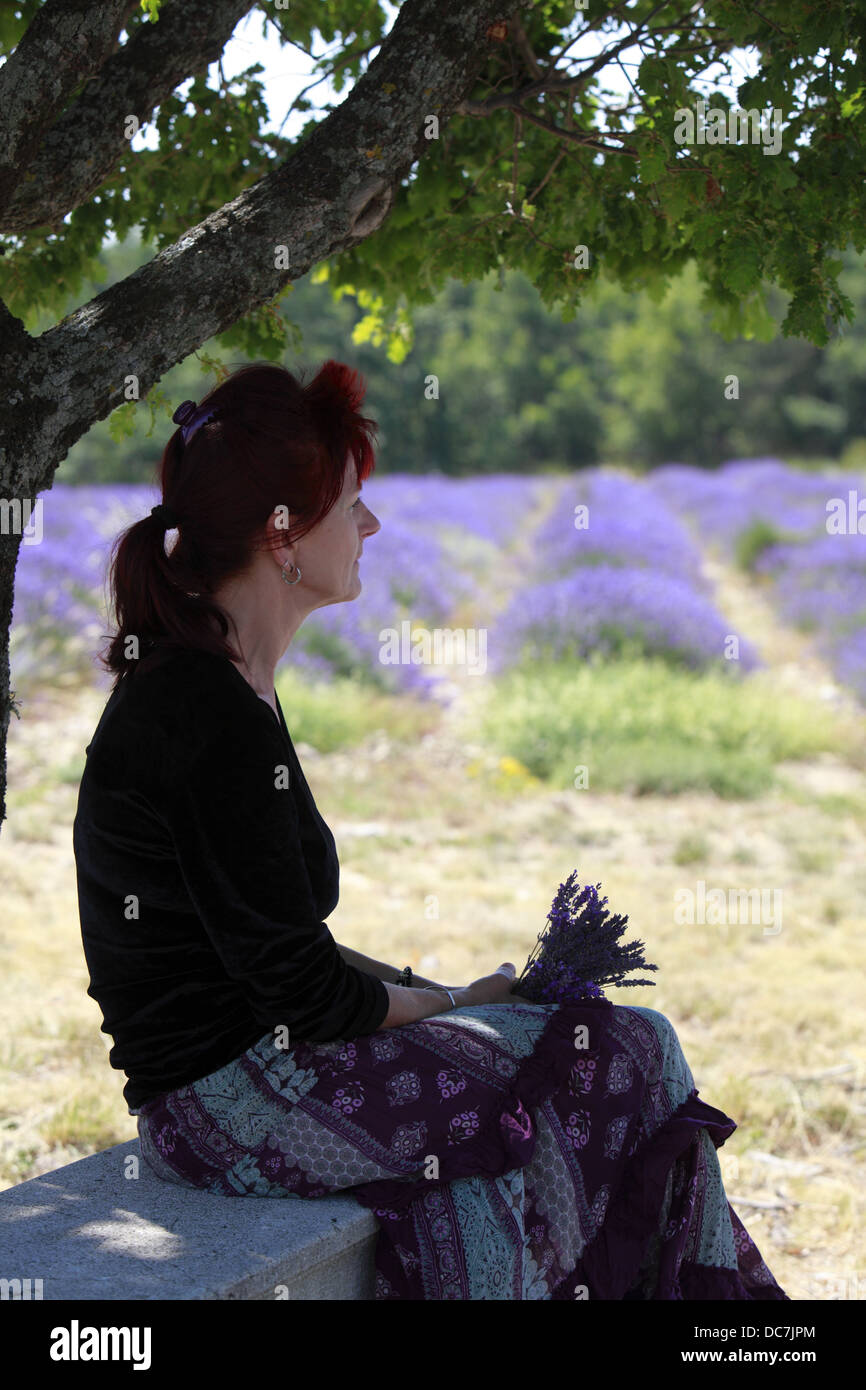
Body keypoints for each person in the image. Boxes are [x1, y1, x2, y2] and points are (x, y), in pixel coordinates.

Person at [73, 359, 789, 1300]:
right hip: (230, 1110)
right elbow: (305, 992)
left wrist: (446, 991)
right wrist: (459, 1005)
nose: (371, 526)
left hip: (260, 1076)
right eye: (350, 505)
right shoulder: (203, 710)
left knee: (576, 1076)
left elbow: (285, 948)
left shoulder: (224, 682)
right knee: (624, 1055)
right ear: (283, 537)